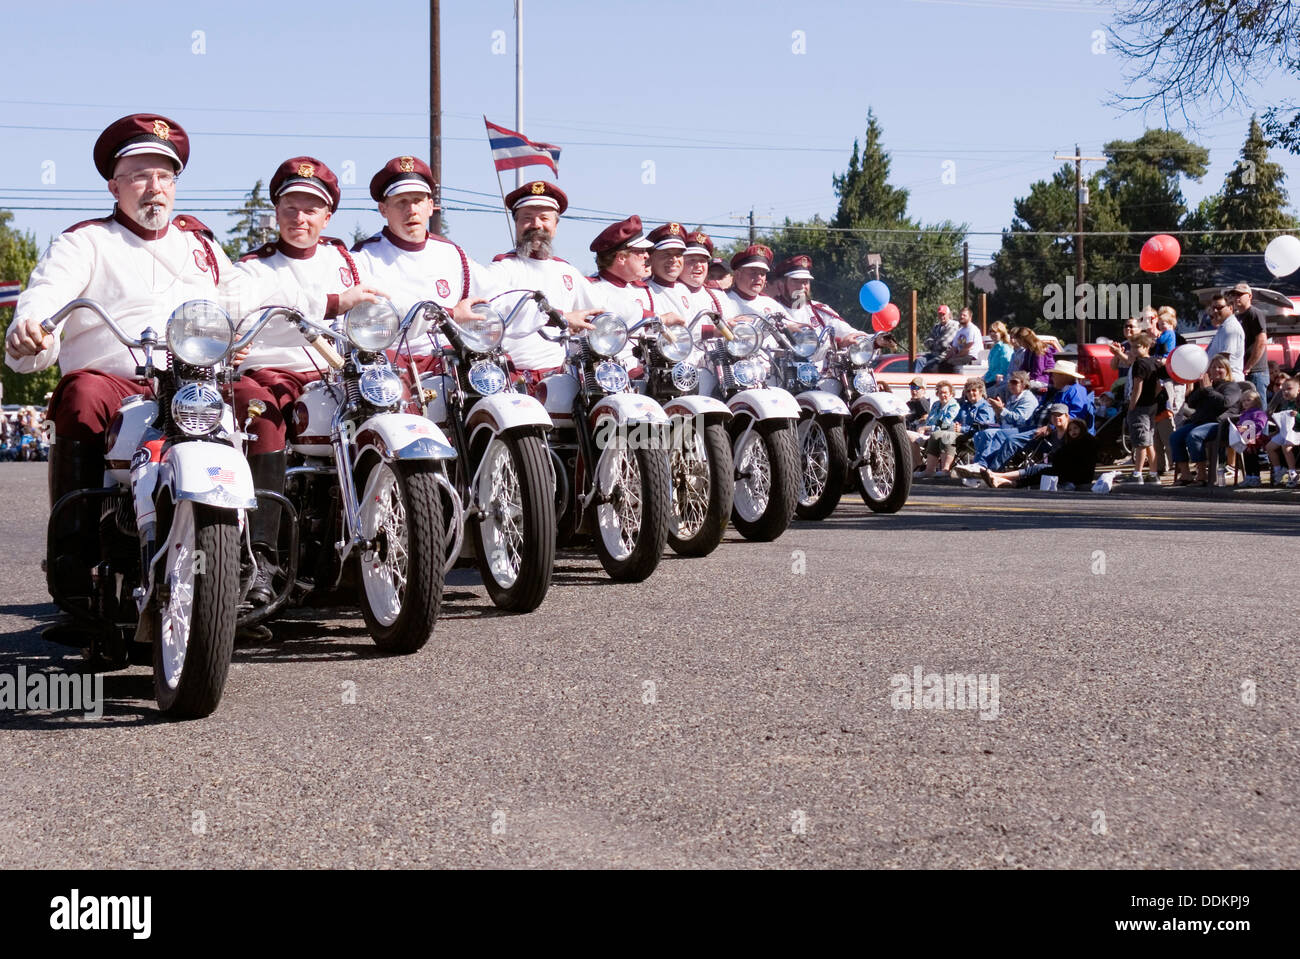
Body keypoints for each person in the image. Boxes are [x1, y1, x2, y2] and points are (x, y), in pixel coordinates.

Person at [3, 113, 235, 639]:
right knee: (80, 394)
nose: (154, 187)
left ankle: (253, 564)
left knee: (257, 398)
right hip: (115, 381)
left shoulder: (201, 246)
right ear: (114, 184)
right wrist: (31, 329)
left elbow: (245, 299)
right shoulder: (83, 243)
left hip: (190, 381)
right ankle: (75, 572)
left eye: (165, 176)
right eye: (139, 175)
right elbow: (46, 298)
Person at [230, 156, 389, 605]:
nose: (300, 218)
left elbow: (383, 307)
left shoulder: (349, 261)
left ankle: (394, 533)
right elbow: (249, 317)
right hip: (268, 373)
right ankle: (261, 558)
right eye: (290, 208)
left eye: (310, 209)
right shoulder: (251, 268)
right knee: (262, 420)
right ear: (276, 212)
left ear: (327, 216)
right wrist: (334, 302)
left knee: (388, 416)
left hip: (335, 375)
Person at [349, 155, 493, 361]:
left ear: (430, 205)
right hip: (391, 368)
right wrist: (452, 314)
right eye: (401, 202)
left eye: (418, 200)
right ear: (383, 209)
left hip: (452, 364)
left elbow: (494, 297)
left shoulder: (453, 254)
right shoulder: (362, 258)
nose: (412, 210)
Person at [480, 180, 608, 380]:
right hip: (513, 379)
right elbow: (492, 312)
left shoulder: (568, 273)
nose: (536, 225)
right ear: (516, 223)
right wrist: (563, 318)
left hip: (564, 378)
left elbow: (600, 313)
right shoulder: (502, 269)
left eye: (544, 218)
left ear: (555, 225)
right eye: (527, 218)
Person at [768, 254, 862, 358]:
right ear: (781, 284)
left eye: (805, 281)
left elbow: (850, 333)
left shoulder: (819, 310)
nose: (802, 286)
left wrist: (877, 340)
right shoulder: (770, 310)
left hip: (821, 373)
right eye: (796, 281)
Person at [1170, 353, 1243, 486]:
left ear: (1227, 370)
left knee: (1194, 436)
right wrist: (1201, 390)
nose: (1216, 370)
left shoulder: (1231, 386)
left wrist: (1209, 390)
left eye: (1220, 367)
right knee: (1175, 437)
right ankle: (1186, 475)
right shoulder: (1206, 386)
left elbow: (1225, 402)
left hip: (1220, 424)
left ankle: (1202, 476)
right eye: (1213, 367)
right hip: (1200, 422)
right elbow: (1191, 403)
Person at [981, 412, 1096, 490]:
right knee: (1038, 470)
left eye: (1076, 428)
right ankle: (1000, 478)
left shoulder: (1085, 442)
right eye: (1070, 430)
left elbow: (1067, 460)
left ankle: (1001, 477)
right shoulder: (1073, 442)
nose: (1073, 432)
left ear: (1082, 429)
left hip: (1076, 477)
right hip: (1067, 472)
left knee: (1040, 470)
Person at [1125, 332, 1162, 484]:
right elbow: (1159, 386)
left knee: (1140, 442)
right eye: (1132, 347)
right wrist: (1153, 397)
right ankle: (1153, 474)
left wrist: (1132, 405)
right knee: (1149, 441)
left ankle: (1137, 474)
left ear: (1146, 347)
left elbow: (1137, 387)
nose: (1133, 350)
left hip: (1140, 407)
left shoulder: (1139, 364)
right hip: (1152, 405)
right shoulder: (1154, 363)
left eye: (1137, 347)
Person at [1228, 282, 1270, 400]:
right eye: (1234, 294)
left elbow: (1261, 341)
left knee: (1258, 410)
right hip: (1243, 370)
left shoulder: (1254, 313)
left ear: (1250, 296)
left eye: (1240, 294)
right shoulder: (1236, 317)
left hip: (1256, 372)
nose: (1236, 297)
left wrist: (1249, 366)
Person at [911, 380, 959, 479]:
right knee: (907, 435)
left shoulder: (953, 405)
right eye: (940, 393)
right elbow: (929, 420)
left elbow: (945, 424)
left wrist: (926, 428)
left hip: (943, 433)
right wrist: (922, 426)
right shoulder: (936, 404)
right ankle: (919, 466)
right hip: (929, 433)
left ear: (951, 394)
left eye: (945, 393)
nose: (942, 395)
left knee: (937, 435)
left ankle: (936, 469)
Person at [1265, 374, 1300, 487]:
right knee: (1269, 447)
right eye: (1283, 390)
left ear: (1298, 390)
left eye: (1289, 389)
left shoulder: (1297, 403)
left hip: (1297, 432)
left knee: (1286, 446)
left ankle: (1292, 473)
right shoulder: (1286, 405)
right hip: (1286, 432)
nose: (1285, 392)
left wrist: (1297, 415)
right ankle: (1278, 470)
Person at [1205, 292, 1245, 381]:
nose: (1215, 311)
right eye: (1213, 308)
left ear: (1230, 308)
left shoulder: (1230, 328)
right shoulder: (1224, 327)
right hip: (1221, 380)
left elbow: (1223, 360)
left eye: (1219, 308)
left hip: (1228, 381)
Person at [1012, 326, 1058, 394]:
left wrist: (1025, 380)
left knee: (1022, 387)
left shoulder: (1039, 349)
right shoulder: (1028, 350)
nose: (1020, 344)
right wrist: (1017, 376)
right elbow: (1024, 367)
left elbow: (1037, 371)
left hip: (1045, 379)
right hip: (1035, 379)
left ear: (1025, 340)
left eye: (1020, 342)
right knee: (1012, 384)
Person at [916, 305, 958, 372]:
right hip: (933, 354)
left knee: (929, 366)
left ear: (949, 314)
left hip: (944, 356)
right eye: (940, 314)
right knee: (919, 361)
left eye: (943, 314)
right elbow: (926, 342)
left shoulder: (954, 325)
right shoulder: (937, 326)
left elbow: (944, 343)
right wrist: (936, 341)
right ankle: (915, 381)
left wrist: (933, 342)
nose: (941, 317)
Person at [941, 307, 982, 372]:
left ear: (970, 317)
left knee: (950, 363)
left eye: (964, 315)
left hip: (972, 356)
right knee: (941, 363)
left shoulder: (972, 329)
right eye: (960, 315)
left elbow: (967, 349)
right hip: (962, 355)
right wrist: (945, 358)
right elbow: (953, 348)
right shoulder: (960, 331)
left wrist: (955, 357)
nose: (961, 317)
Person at [984, 321, 1013, 397]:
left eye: (995, 331)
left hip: (999, 382)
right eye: (990, 331)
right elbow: (991, 370)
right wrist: (983, 379)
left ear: (1002, 333)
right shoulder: (994, 348)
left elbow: (1005, 369)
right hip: (990, 380)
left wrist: (988, 380)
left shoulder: (1004, 348)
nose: (992, 334)